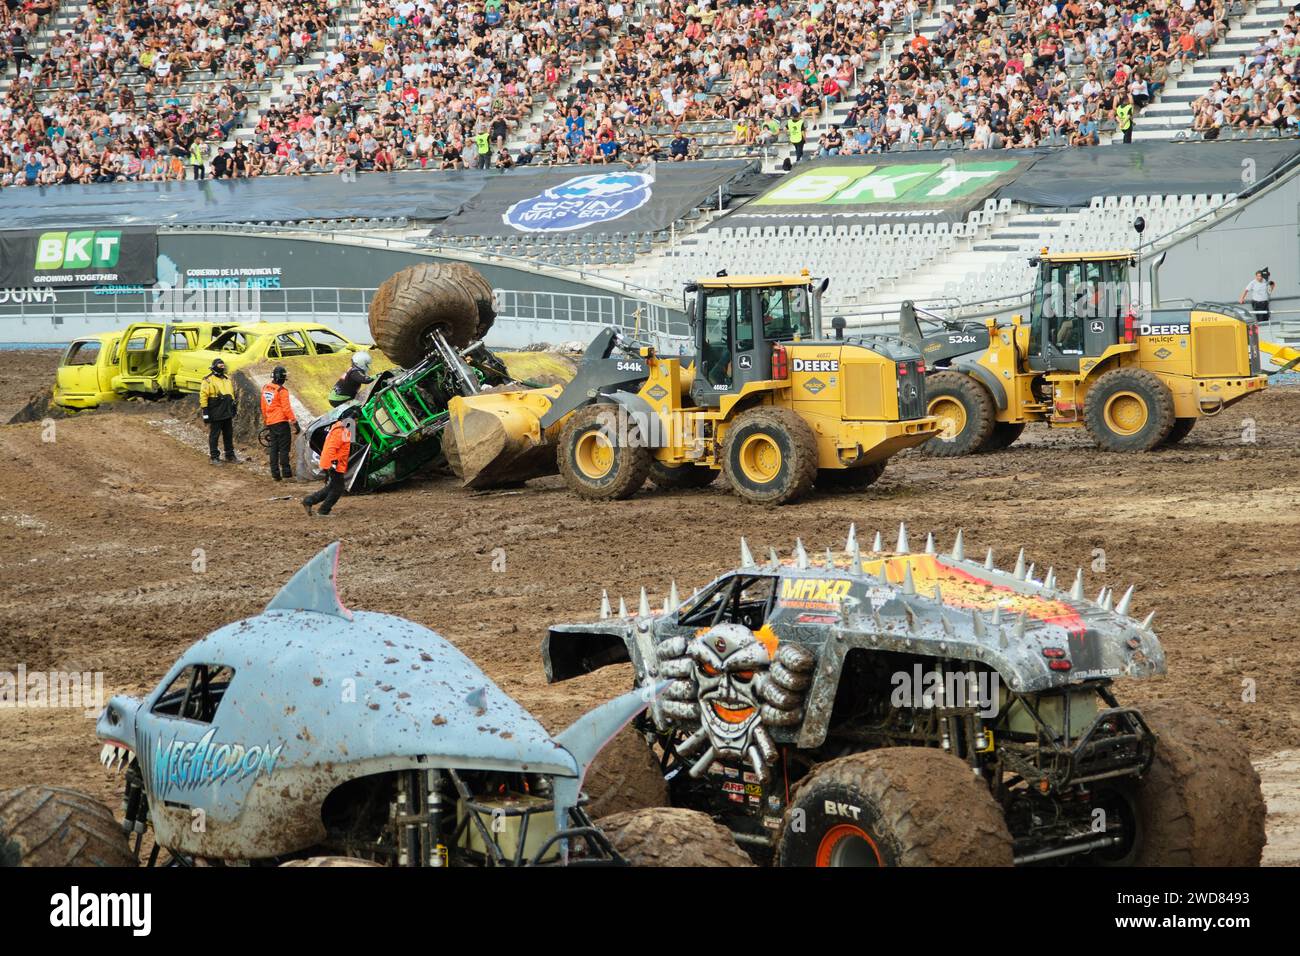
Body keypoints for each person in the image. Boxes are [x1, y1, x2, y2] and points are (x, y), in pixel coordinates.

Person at [303, 409, 355, 517]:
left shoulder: (343, 429)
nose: (356, 422)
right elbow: (332, 448)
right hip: (333, 463)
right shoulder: (340, 431)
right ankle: (323, 511)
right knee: (338, 488)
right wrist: (333, 463)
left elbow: (346, 446)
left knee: (331, 487)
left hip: (335, 463)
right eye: (355, 420)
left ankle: (309, 501)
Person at [260, 365, 299, 480]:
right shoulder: (282, 391)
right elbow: (286, 409)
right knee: (284, 449)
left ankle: (275, 474)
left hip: (271, 422)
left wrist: (266, 420)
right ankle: (286, 474)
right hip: (281, 422)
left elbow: (263, 406)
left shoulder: (265, 387)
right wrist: (294, 422)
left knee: (273, 448)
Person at [199, 358, 237, 464]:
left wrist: (233, 405)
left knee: (228, 434)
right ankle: (214, 457)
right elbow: (203, 396)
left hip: (227, 410)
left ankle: (230, 455)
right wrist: (205, 412)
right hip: (215, 411)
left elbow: (231, 393)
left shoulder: (227, 379)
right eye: (220, 366)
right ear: (214, 367)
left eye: (223, 366)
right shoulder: (207, 380)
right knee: (214, 435)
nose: (222, 368)